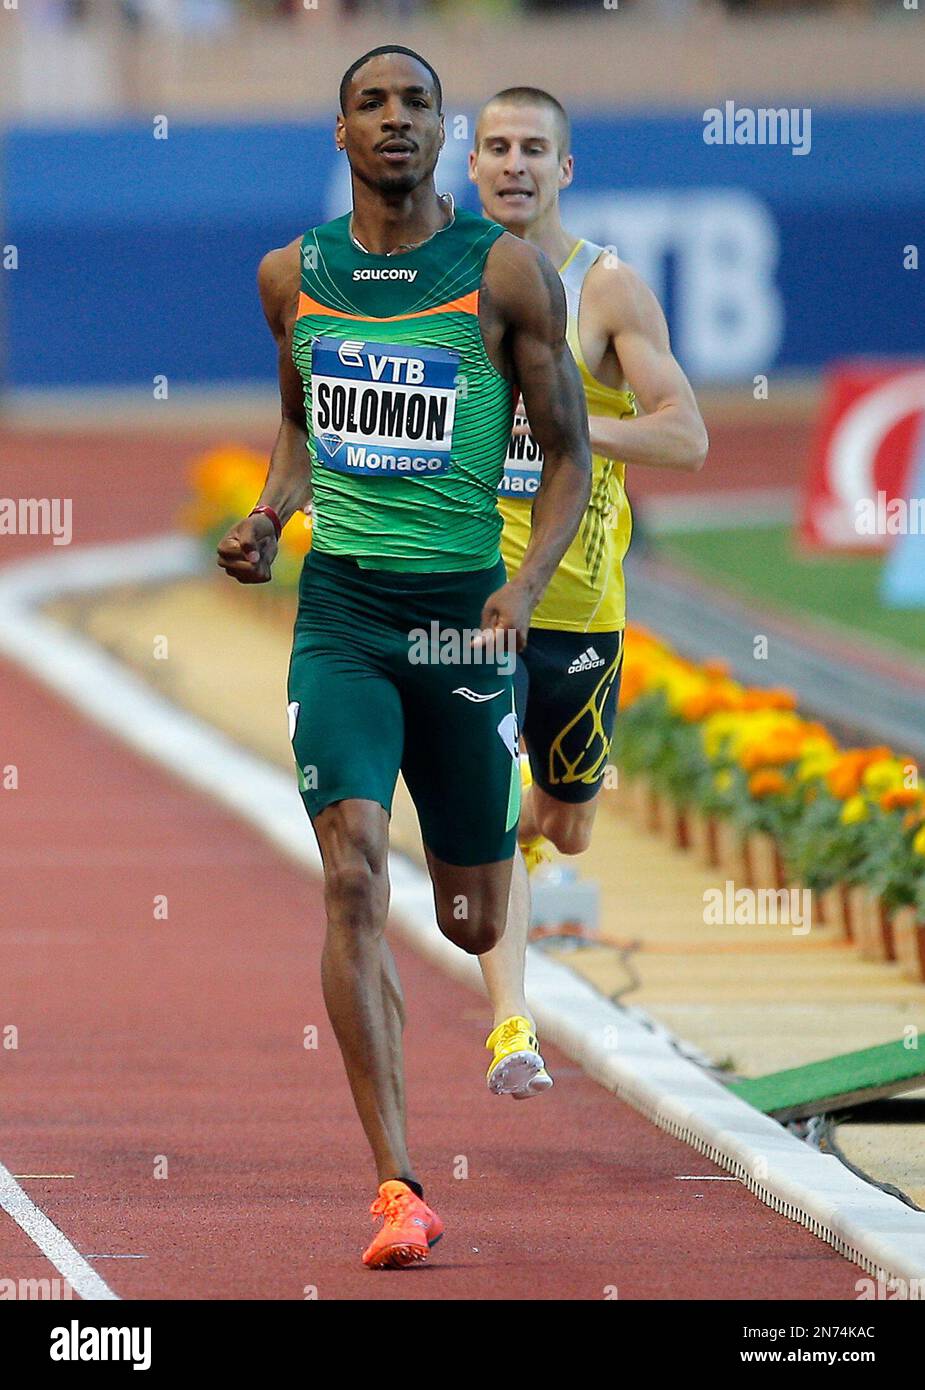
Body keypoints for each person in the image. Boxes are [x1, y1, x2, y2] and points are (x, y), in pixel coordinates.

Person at [217, 50, 592, 1268]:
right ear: (339, 131)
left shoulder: (503, 274)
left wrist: (524, 588)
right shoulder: (295, 274)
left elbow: (572, 457)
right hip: (345, 619)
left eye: (415, 105)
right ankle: (398, 1186)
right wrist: (273, 517)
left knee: (472, 917)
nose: (394, 121)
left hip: (462, 626)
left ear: (446, 131)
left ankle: (499, 892)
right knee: (350, 873)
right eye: (372, 104)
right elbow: (294, 420)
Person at [469, 87, 708, 1100]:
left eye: (533, 148)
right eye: (494, 148)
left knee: (564, 822)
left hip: (578, 611)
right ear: (469, 167)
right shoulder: (442, 285)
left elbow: (686, 435)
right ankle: (510, 1027)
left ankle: (518, 840)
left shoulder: (605, 290)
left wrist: (571, 420)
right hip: (478, 601)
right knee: (483, 807)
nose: (513, 164)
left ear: (564, 169)